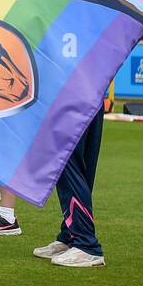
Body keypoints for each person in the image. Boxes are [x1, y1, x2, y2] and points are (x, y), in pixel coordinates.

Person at [33, 95, 109, 268]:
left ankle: (86, 244)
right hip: (87, 95)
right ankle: (72, 235)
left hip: (76, 96)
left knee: (66, 163)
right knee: (79, 167)